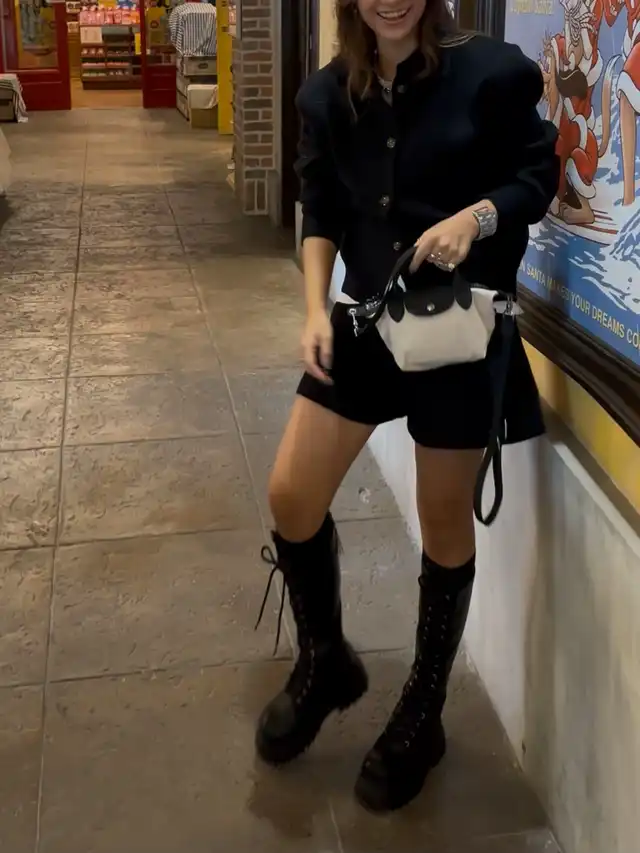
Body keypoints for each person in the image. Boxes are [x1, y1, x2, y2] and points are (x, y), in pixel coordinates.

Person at [254, 0, 560, 814]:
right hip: (364, 320)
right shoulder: (327, 94)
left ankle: (423, 712)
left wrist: (477, 217)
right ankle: (326, 659)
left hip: (458, 327)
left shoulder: (492, 73)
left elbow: (537, 178)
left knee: (443, 516)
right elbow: (321, 208)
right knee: (291, 496)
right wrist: (314, 310)